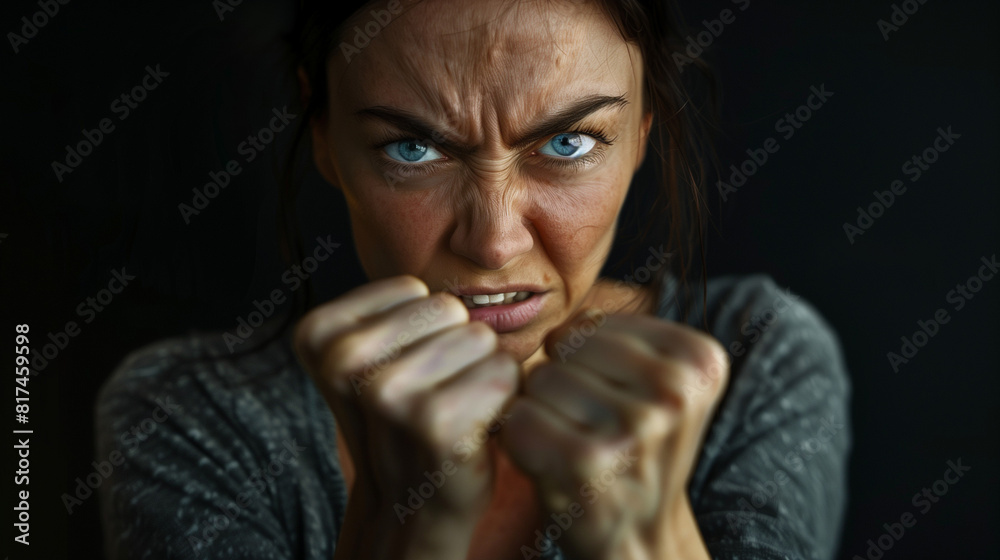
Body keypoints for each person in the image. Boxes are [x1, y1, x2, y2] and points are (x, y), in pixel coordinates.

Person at [96, 0, 851, 558]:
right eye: (412, 151)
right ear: (323, 135)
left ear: (644, 127)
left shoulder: (755, 357)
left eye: (568, 140)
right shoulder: (193, 415)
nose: (493, 242)